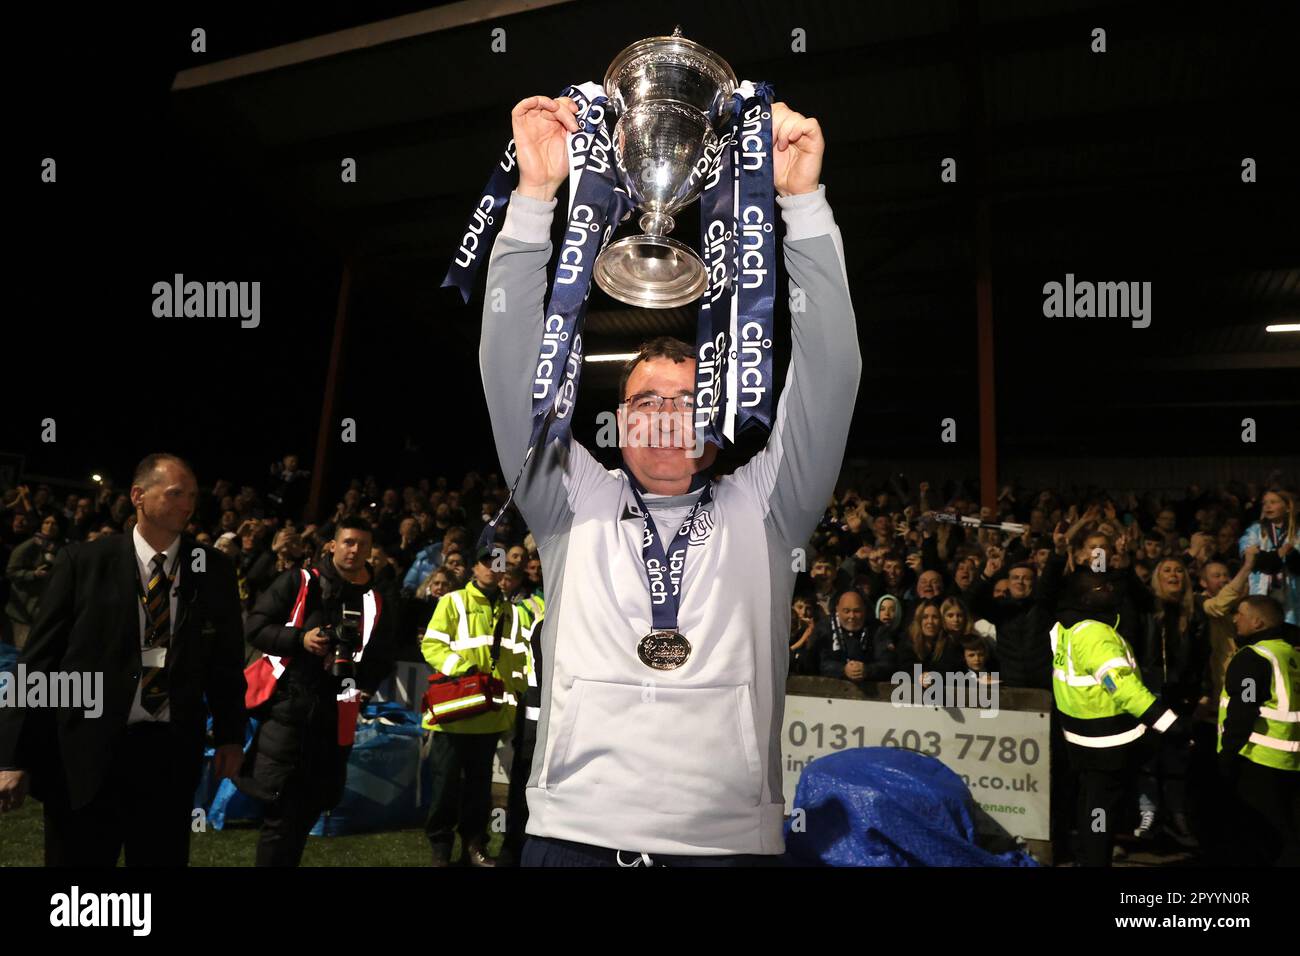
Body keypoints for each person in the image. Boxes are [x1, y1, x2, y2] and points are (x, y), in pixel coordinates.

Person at [482, 94, 857, 864]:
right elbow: (509, 372)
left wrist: (803, 207)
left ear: (717, 425)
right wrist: (533, 202)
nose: (664, 415)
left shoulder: (769, 510)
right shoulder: (568, 501)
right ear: (617, 425)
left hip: (725, 846)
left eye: (689, 402)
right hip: (569, 836)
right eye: (644, 400)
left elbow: (830, 373)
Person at [0, 454, 247, 865]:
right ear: (138, 496)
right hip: (85, 758)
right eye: (174, 494)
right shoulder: (84, 562)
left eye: (191, 495)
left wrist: (230, 735)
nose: (187, 504)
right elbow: (38, 664)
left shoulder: (213, 571)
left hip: (167, 759)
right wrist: (12, 757)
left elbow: (224, 663)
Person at [240, 515, 400, 866]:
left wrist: (360, 683)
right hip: (289, 710)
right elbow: (255, 627)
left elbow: (383, 657)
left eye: (362, 544)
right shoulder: (299, 582)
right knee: (281, 816)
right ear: (332, 545)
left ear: (371, 551)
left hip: (338, 712)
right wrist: (301, 640)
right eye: (347, 542)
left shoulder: (376, 601)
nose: (354, 550)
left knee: (311, 808)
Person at [1050, 569, 1189, 867]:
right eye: (1104, 587)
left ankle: (1088, 858)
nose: (1112, 590)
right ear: (1087, 597)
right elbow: (1120, 685)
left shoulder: (1066, 629)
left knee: (1090, 804)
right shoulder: (1095, 634)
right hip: (1107, 742)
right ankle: (1096, 861)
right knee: (1101, 810)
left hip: (1080, 738)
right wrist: (1167, 723)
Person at [420, 550, 529, 867]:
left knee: (479, 791)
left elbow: (516, 658)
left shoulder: (510, 609)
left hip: (488, 713)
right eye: (489, 565)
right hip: (453, 713)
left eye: (501, 566)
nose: (496, 571)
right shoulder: (452, 601)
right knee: (445, 789)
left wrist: (514, 694)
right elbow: (432, 645)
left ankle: (474, 847)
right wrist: (464, 669)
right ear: (474, 567)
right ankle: (440, 849)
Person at [1216, 595, 1299, 866]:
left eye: (1240, 613)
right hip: (1289, 760)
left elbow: (1244, 709)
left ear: (1257, 621)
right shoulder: (1289, 654)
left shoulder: (1254, 658)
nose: (1235, 619)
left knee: (1261, 840)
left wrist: (1226, 758)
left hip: (1256, 759)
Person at [1239, 487, 1299, 624]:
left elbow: (1297, 565)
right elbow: (1251, 561)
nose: (1267, 506)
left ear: (1288, 507)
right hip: (1261, 595)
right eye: (1264, 503)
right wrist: (1280, 553)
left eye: (1273, 502)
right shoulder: (1254, 530)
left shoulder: (1297, 531)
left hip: (1293, 599)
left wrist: (1275, 556)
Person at [5, 514, 64, 650]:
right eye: (46, 522)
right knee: (15, 651)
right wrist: (33, 574)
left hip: (42, 609)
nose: (49, 526)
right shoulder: (29, 545)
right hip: (23, 609)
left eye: (54, 523)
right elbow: (11, 572)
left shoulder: (61, 548)